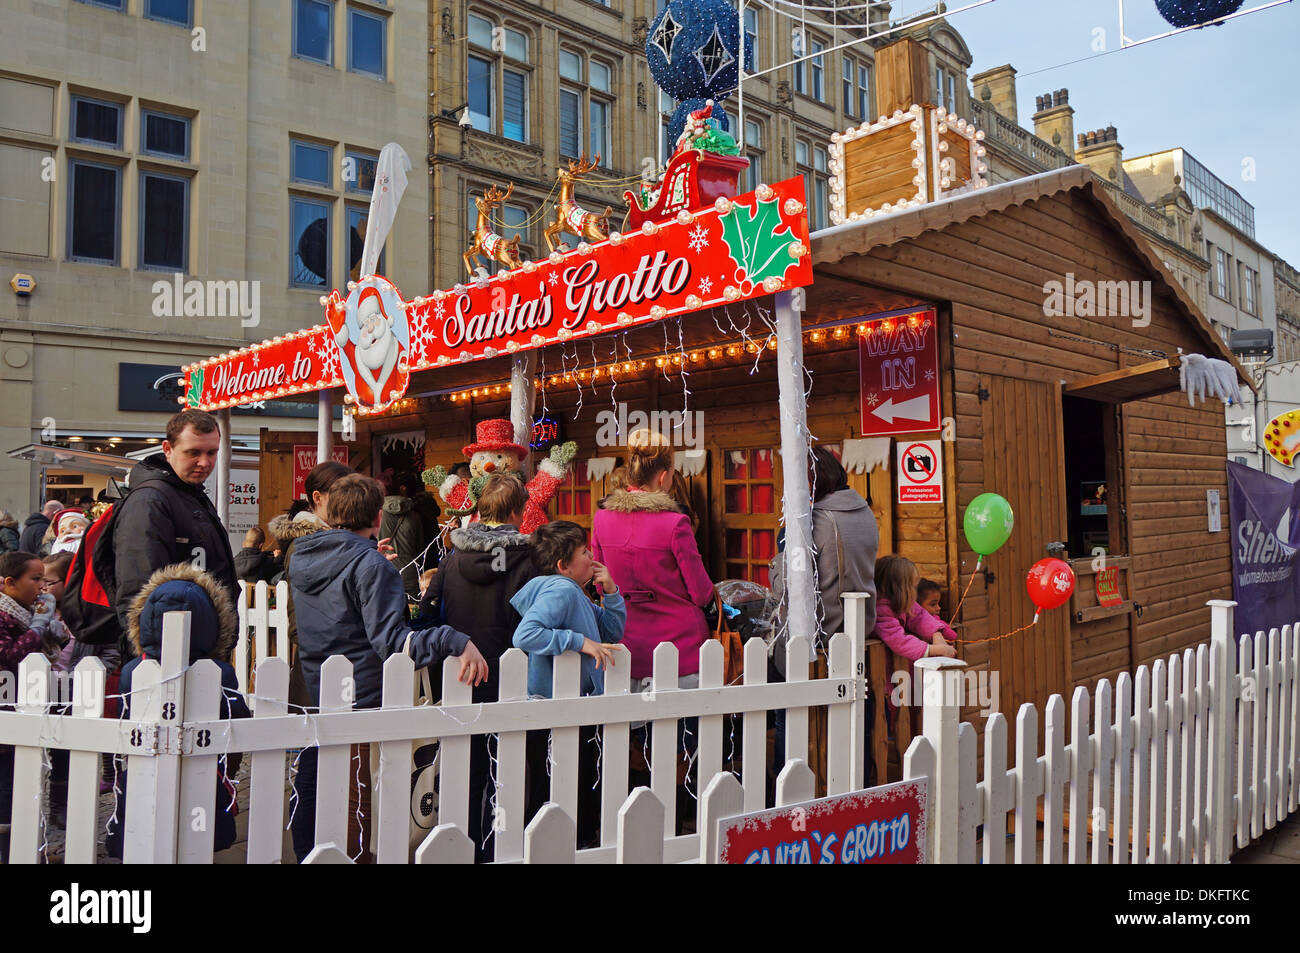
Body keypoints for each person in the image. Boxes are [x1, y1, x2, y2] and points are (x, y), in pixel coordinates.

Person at [286, 473, 486, 863]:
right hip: (363, 691)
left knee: (317, 786)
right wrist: (454, 640)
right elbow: (393, 642)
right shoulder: (369, 564)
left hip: (318, 684)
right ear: (378, 517)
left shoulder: (304, 556)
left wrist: (367, 558)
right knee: (357, 798)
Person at [422, 473, 538, 859]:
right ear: (516, 511)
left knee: (462, 770)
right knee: (503, 772)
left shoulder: (453, 558)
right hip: (508, 675)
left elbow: (427, 614)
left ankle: (460, 844)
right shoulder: (528, 558)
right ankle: (495, 847)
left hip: (458, 674)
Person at [105, 563, 250, 859]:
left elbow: (123, 717)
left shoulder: (134, 670)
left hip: (143, 773)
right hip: (203, 774)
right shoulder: (218, 672)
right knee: (198, 841)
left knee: (142, 840)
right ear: (212, 622)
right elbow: (237, 726)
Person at [511, 520, 624, 848]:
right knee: (570, 787)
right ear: (563, 565)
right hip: (561, 707)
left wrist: (611, 593)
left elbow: (611, 632)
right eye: (584, 552)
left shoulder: (574, 591)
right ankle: (569, 847)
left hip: (568, 706)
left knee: (560, 787)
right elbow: (526, 634)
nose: (592, 557)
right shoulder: (561, 590)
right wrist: (579, 642)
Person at [592, 429, 712, 685]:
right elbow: (701, 593)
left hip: (625, 642)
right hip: (681, 646)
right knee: (684, 724)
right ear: (664, 476)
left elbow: (602, 588)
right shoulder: (676, 523)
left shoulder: (601, 519)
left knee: (629, 724)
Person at [111, 410, 237, 648]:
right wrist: (152, 652)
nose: (205, 462)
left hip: (194, 644)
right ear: (167, 449)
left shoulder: (189, 493)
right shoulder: (150, 501)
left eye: (212, 452)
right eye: (193, 453)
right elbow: (138, 589)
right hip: (169, 650)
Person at [770, 446, 879, 678]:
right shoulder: (864, 512)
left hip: (821, 633)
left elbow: (787, 586)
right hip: (860, 625)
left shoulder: (814, 522)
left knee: (784, 705)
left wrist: (782, 549)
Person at [265, 460, 353, 707]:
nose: (349, 503)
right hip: (318, 652)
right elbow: (308, 606)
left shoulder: (333, 538)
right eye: (342, 495)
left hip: (331, 651)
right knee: (317, 737)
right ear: (318, 497)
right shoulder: (306, 544)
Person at [0, 551, 55, 860]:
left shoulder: (21, 612)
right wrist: (37, 628)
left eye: (44, 579)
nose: (41, 586)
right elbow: (11, 656)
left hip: (20, 707)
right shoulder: (4, 615)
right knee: (6, 784)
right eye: (35, 579)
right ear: (10, 583)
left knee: (18, 781)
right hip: (5, 709)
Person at [873, 555, 957, 662]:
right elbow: (898, 641)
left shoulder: (904, 601)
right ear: (901, 588)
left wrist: (937, 635)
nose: (915, 591)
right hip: (882, 668)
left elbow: (920, 616)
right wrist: (935, 650)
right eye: (913, 586)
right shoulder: (880, 611)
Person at [379, 474, 426, 597]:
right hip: (410, 570)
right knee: (411, 611)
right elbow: (420, 549)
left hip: (383, 569)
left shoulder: (376, 515)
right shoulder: (415, 517)